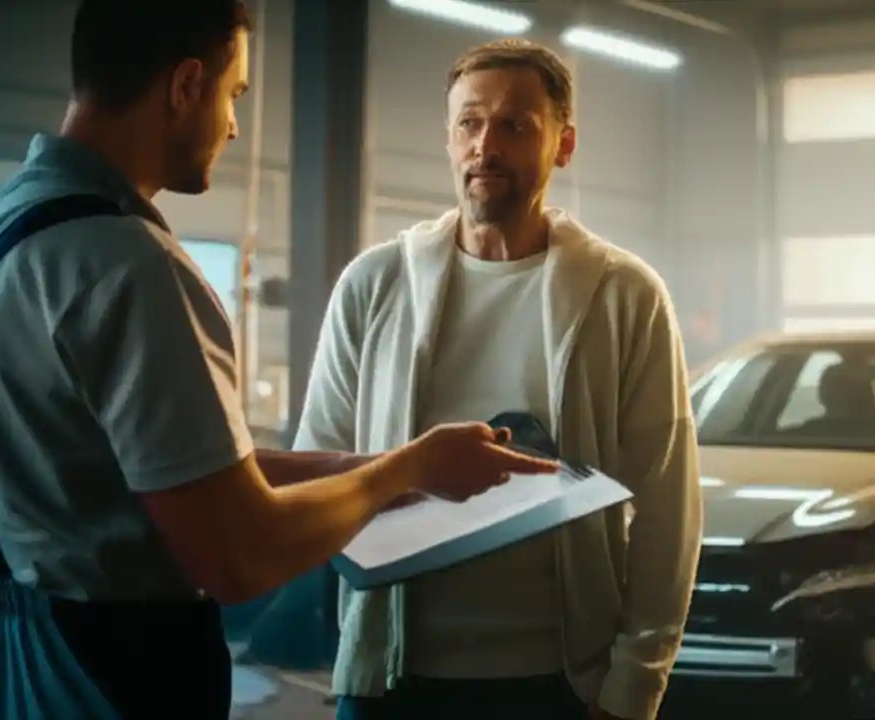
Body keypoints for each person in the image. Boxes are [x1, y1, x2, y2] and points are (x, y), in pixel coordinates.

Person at [0, 3, 557, 719]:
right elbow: (239, 554)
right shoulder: (130, 266)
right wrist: (404, 473)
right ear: (185, 86)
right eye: (234, 95)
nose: (234, 125)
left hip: (38, 657)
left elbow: (196, 475)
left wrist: (400, 461)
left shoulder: (24, 221)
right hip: (114, 674)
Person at [294, 39, 704, 720]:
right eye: (469, 123)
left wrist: (635, 685)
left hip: (561, 682)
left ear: (563, 144)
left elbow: (669, 511)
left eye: (516, 125)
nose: (486, 145)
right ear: (450, 139)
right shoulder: (376, 283)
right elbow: (317, 466)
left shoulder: (623, 294)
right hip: (390, 678)